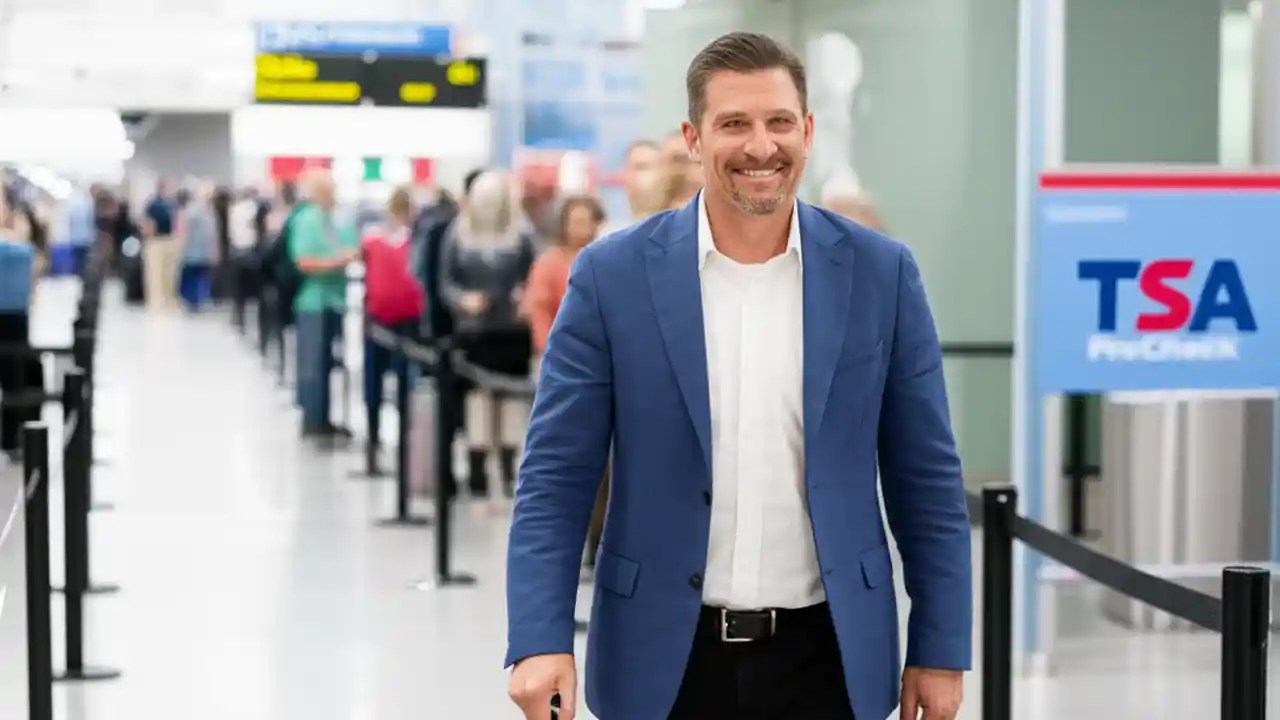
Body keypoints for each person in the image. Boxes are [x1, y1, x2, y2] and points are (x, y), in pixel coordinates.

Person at [505, 32, 971, 720]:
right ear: (694, 139)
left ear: (807, 131)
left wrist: (939, 644)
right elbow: (555, 478)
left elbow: (925, 479)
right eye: (734, 124)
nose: (761, 146)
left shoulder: (881, 274)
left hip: (832, 658)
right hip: (663, 660)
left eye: (779, 121)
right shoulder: (611, 278)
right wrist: (539, 637)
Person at [438, 169, 537, 500]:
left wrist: (525, 295)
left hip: (511, 332)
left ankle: (510, 470)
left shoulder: (522, 236)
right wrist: (463, 300)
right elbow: (445, 283)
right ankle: (477, 470)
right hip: (474, 333)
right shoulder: (458, 235)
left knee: (511, 404)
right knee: (478, 403)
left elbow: (533, 276)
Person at [289, 170, 358, 439]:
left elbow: (351, 246)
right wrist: (334, 262)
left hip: (334, 301)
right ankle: (312, 418)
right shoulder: (306, 220)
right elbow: (303, 261)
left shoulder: (336, 221)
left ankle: (325, 416)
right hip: (312, 302)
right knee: (312, 363)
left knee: (328, 363)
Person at [360, 186, 424, 470]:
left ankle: (373, 442)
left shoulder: (372, 241)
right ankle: (405, 446)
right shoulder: (417, 242)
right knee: (405, 384)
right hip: (408, 322)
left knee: (374, 383)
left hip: (378, 319)